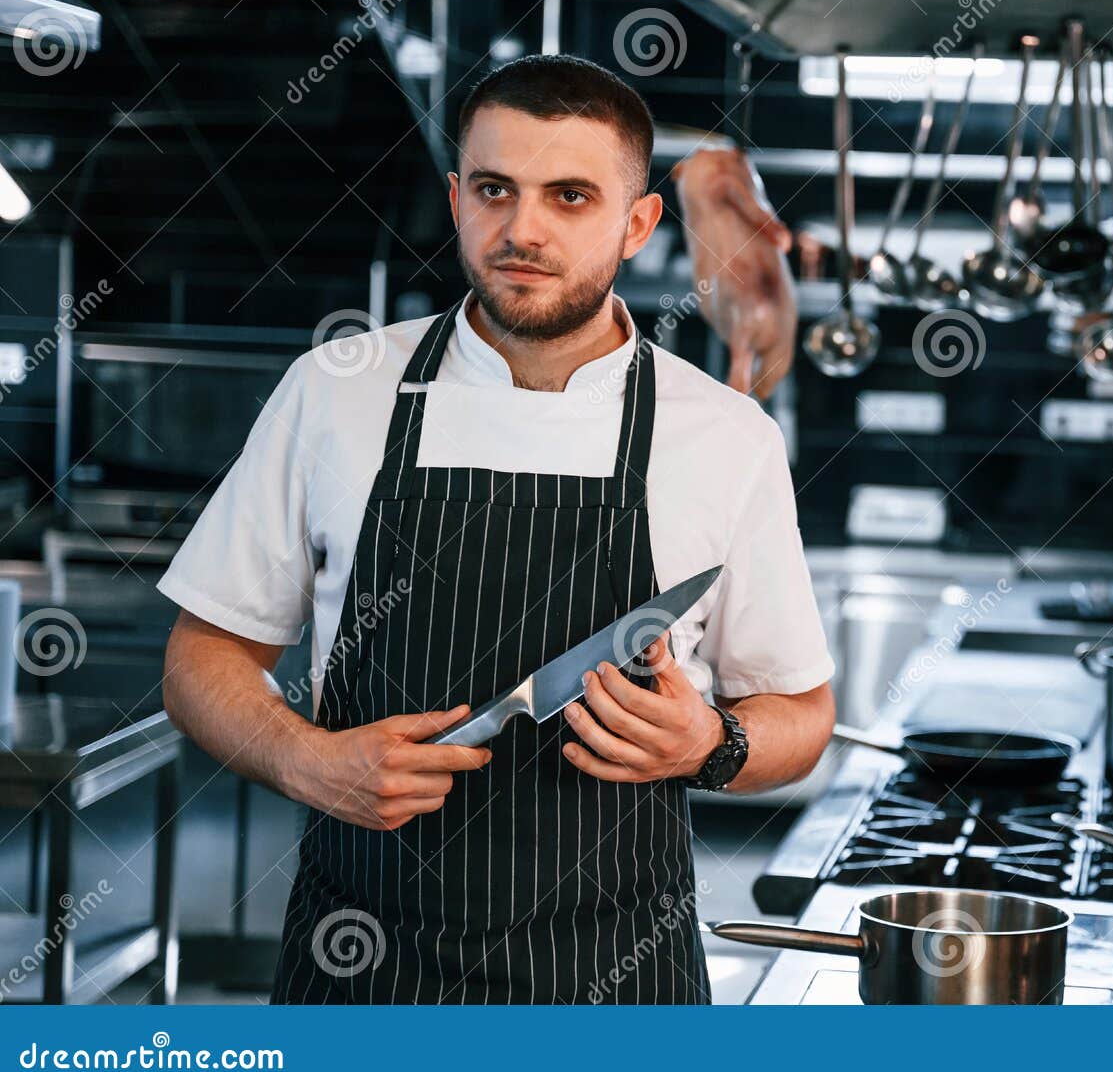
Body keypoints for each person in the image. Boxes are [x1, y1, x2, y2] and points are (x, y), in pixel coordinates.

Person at [159, 54, 836, 1004]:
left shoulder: (726, 436)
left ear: (638, 223)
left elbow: (802, 716)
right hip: (363, 973)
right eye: (494, 190)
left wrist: (710, 744)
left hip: (617, 980)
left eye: (569, 196)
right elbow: (202, 656)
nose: (523, 230)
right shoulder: (335, 391)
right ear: (457, 197)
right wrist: (306, 758)